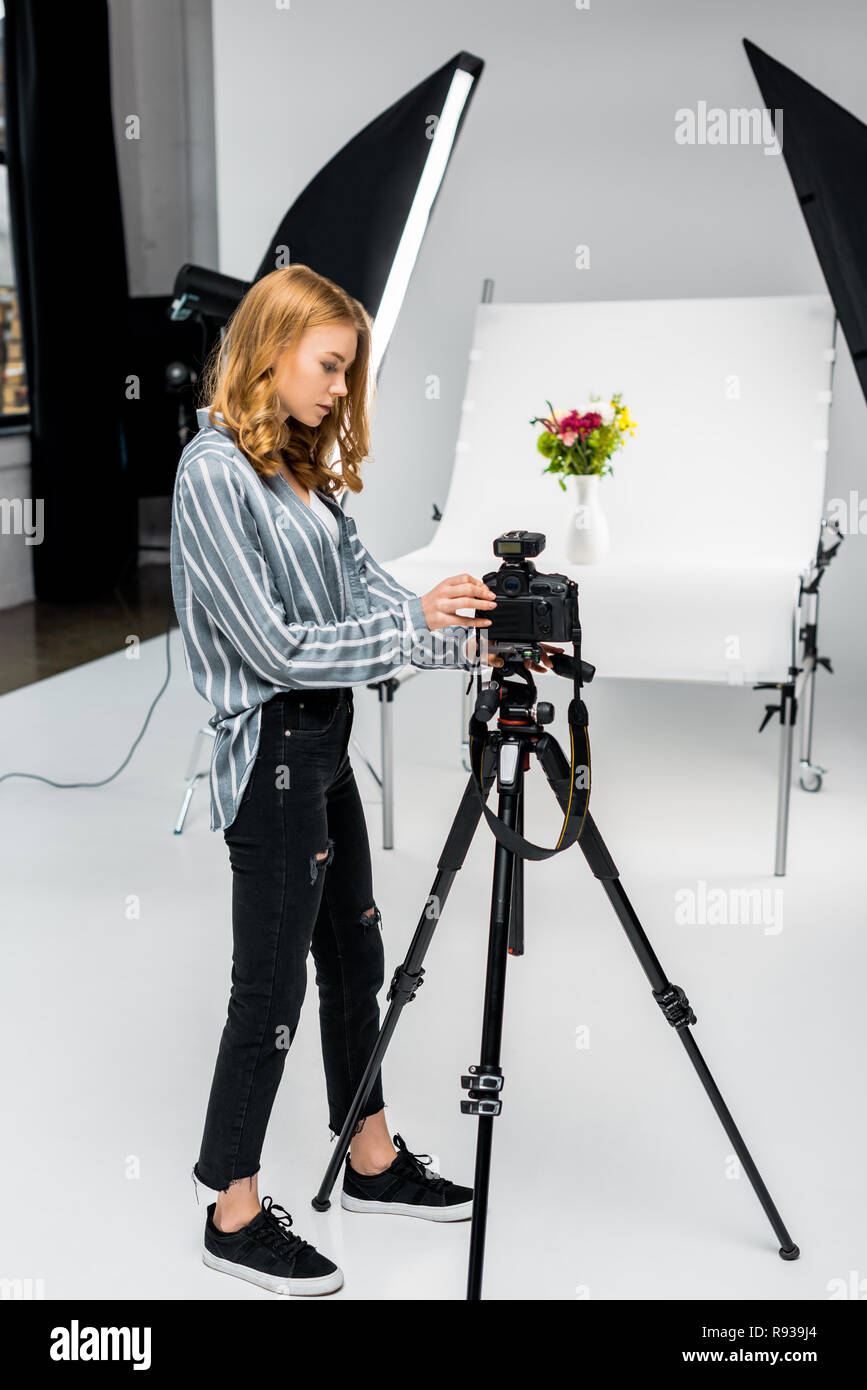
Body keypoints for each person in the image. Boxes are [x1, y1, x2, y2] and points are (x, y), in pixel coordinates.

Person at [169, 264, 561, 1297]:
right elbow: (280, 648)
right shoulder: (213, 474)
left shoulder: (305, 477)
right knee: (272, 985)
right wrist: (408, 622)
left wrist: (473, 633)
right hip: (274, 760)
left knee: (358, 957)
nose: (342, 389)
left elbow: (377, 604)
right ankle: (232, 1209)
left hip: (325, 747)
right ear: (272, 347)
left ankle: (373, 1157)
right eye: (330, 365)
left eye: (350, 370)